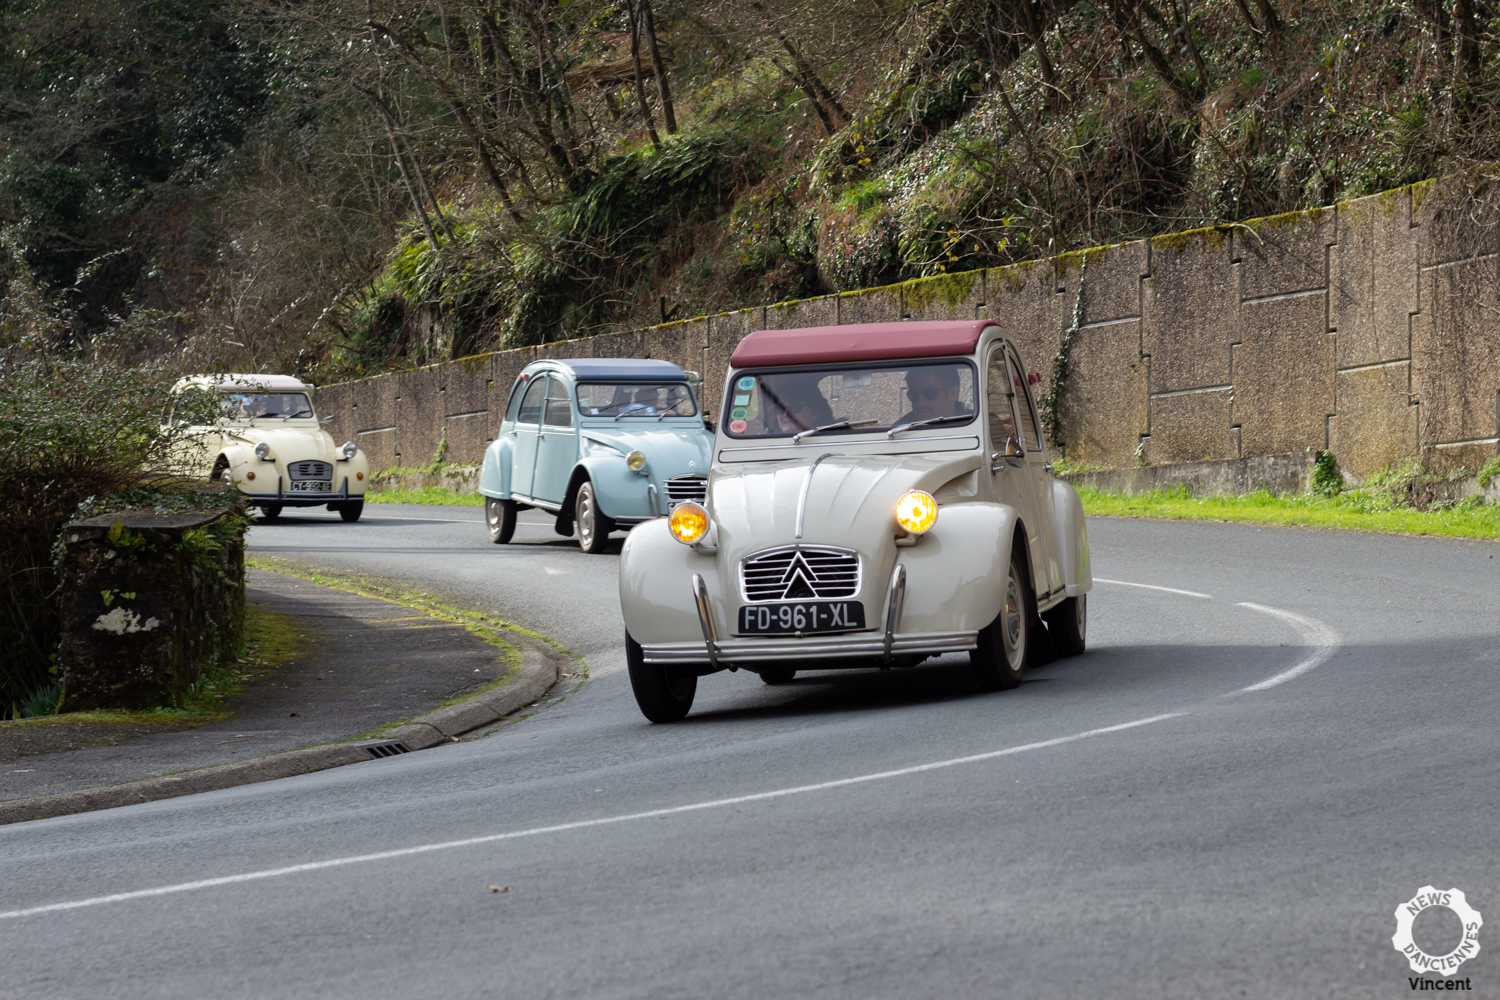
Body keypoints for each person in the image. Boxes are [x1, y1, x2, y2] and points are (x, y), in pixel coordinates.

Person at [894, 365, 967, 427]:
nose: (920, 402)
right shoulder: (900, 431)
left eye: (929, 392)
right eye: (914, 394)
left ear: (952, 393)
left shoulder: (974, 424)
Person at [764, 377, 833, 435]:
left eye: (794, 407)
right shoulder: (766, 443)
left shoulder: (835, 439)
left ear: (815, 412)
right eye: (779, 408)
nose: (786, 414)